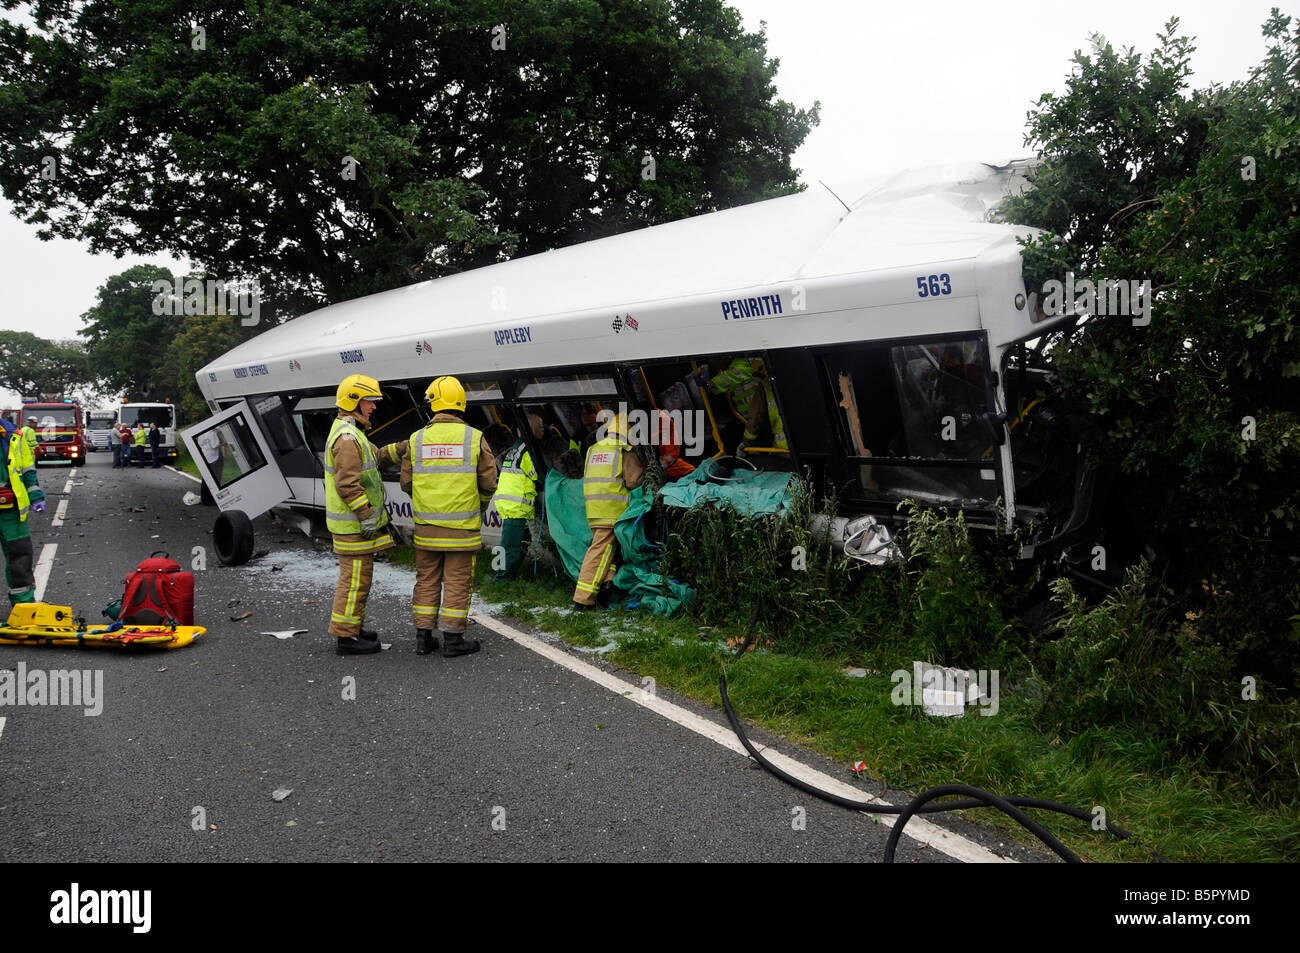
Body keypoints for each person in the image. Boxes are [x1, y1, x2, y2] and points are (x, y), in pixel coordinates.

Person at [400, 376, 497, 658]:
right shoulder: (474, 438)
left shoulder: (416, 439)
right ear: (460, 405)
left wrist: (427, 502)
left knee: (427, 579)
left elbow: (407, 483)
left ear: (433, 405)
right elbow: (489, 482)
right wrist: (478, 504)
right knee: (457, 581)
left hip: (426, 528)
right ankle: (453, 641)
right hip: (462, 529)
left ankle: (423, 638)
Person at [325, 374, 407, 655]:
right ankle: (347, 638)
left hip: (352, 527)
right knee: (354, 581)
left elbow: (378, 458)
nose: (373, 407)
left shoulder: (352, 433)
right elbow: (347, 483)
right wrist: (367, 514)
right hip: (352, 528)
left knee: (359, 579)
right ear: (355, 402)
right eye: (370, 401)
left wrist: (405, 447)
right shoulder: (347, 438)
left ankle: (354, 629)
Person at [572, 411, 643, 610]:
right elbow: (634, 481)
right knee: (599, 553)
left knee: (608, 553)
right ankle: (582, 599)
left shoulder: (594, 448)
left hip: (594, 509)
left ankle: (607, 588)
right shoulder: (623, 450)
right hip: (612, 511)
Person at [491, 413, 544, 581]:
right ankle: (502, 578)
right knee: (510, 545)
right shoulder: (528, 451)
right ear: (533, 429)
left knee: (520, 541)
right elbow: (537, 475)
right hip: (516, 504)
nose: (544, 429)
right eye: (540, 426)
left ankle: (505, 573)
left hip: (511, 502)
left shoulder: (517, 447)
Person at [697, 357, 788, 455]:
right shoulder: (733, 368)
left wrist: (709, 384)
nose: (713, 365)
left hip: (761, 419)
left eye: (712, 360)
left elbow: (729, 378)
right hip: (752, 419)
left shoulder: (742, 364)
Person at [0, 416, 46, 607]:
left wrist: (36, 496)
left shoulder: (14, 436)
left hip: (10, 509)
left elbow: (28, 470)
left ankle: (24, 604)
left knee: (20, 556)